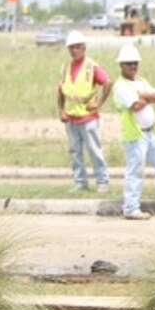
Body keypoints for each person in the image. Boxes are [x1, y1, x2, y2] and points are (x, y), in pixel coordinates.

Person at [112, 44, 155, 220]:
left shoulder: (140, 81)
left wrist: (142, 96)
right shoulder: (121, 86)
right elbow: (136, 106)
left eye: (135, 63)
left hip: (150, 132)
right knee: (135, 171)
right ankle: (131, 208)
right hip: (136, 135)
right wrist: (146, 97)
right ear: (121, 65)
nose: (133, 66)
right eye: (128, 63)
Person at [56, 30, 111, 192]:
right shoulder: (66, 68)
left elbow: (107, 83)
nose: (74, 50)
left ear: (84, 47)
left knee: (95, 151)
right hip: (71, 118)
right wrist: (61, 110)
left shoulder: (91, 67)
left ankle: (102, 182)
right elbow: (60, 90)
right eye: (71, 47)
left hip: (88, 118)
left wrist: (99, 104)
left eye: (78, 47)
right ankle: (80, 183)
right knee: (75, 153)